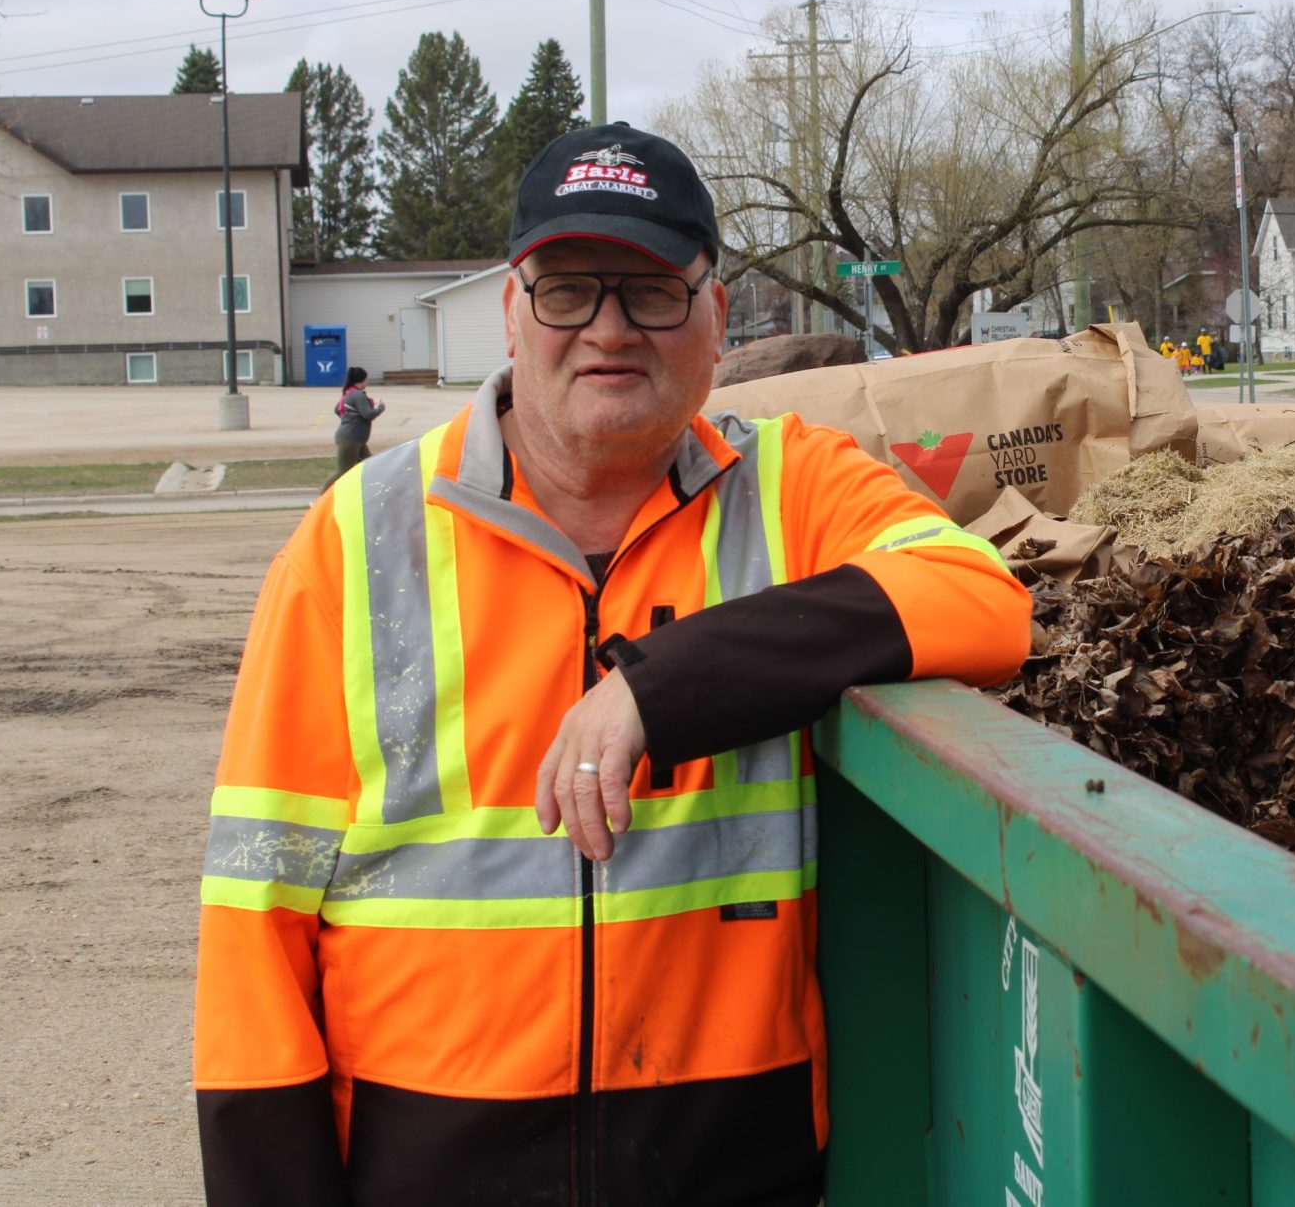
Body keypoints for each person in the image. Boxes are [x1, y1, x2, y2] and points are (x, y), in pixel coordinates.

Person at [194, 122, 1032, 1207]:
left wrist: (658, 685)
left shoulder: (789, 488)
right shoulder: (358, 538)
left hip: (730, 1163)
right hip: (428, 1168)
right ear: (510, 307)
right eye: (567, 290)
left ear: (716, 316)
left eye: (650, 292)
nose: (608, 330)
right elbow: (255, 912)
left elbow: (982, 602)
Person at [327, 367, 384, 486]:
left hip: (356, 440)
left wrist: (348, 420)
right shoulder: (357, 395)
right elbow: (368, 414)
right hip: (350, 439)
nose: (367, 382)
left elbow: (337, 409)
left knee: (370, 466)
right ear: (361, 380)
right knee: (342, 470)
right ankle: (320, 499)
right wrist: (380, 408)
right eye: (366, 379)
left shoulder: (349, 393)